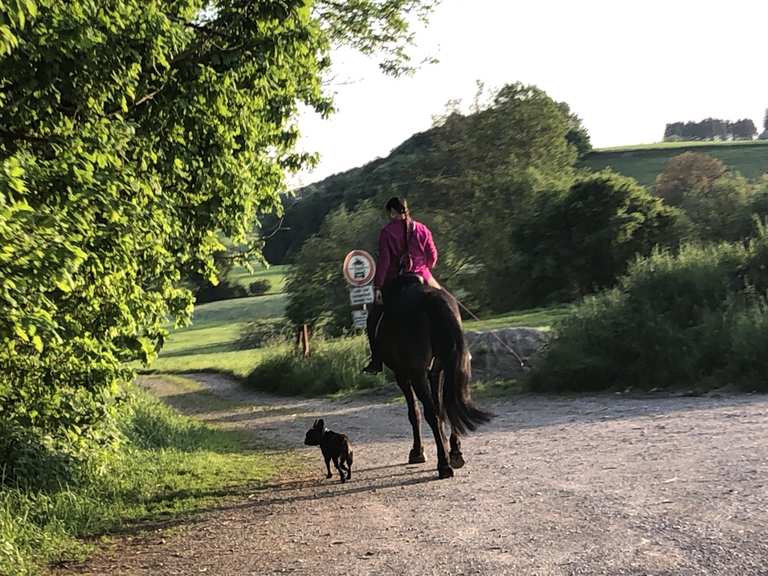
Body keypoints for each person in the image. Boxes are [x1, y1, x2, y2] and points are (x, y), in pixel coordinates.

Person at [362, 197, 441, 374]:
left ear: (392, 212)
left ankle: (376, 361)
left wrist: (378, 287)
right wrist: (422, 267)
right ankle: (462, 350)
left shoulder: (387, 232)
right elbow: (433, 258)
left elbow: (384, 262)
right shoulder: (422, 229)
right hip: (423, 277)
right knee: (447, 305)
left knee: (374, 317)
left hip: (398, 281)